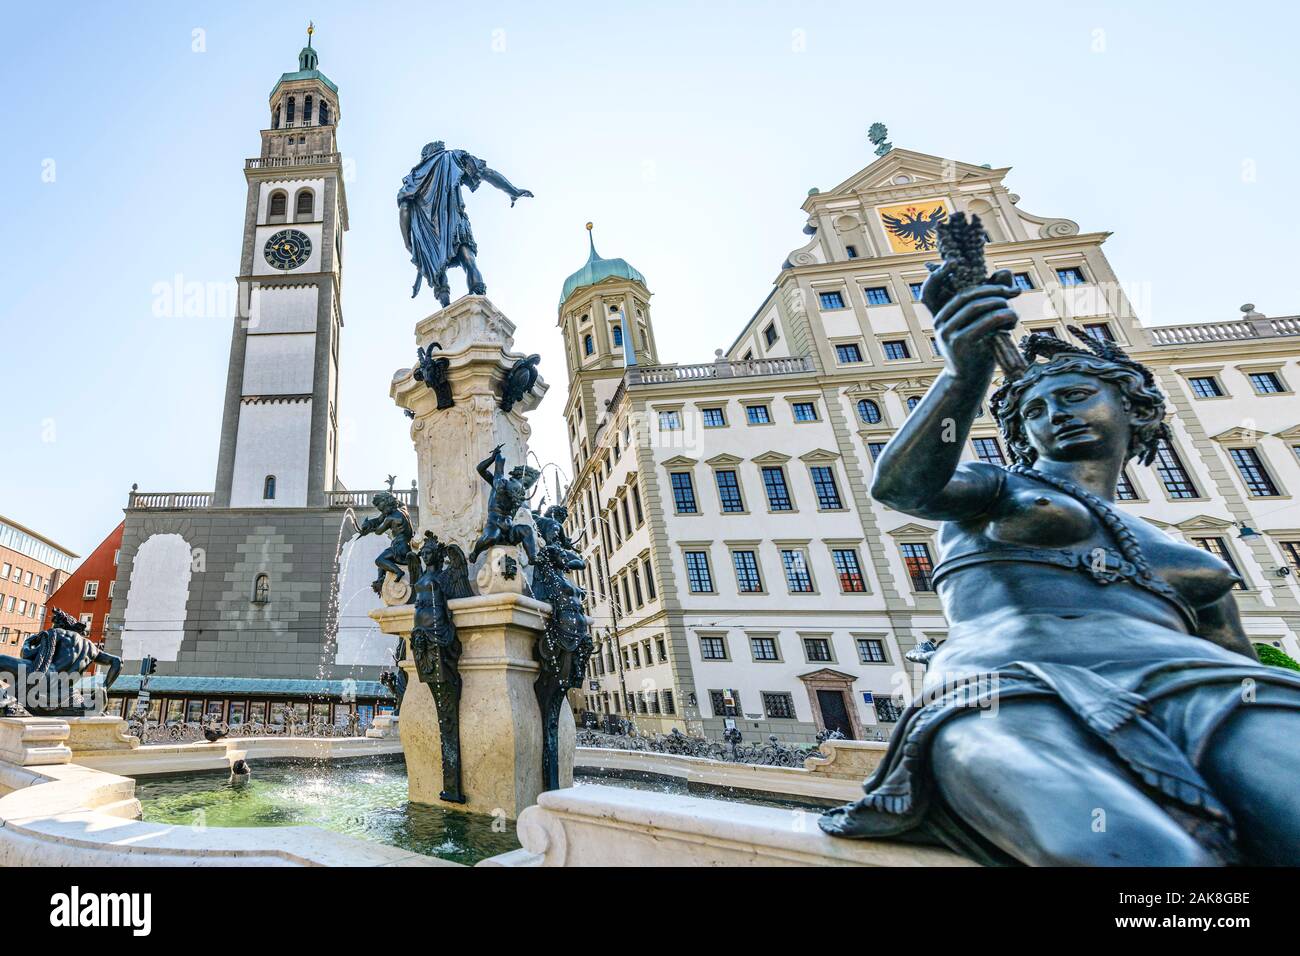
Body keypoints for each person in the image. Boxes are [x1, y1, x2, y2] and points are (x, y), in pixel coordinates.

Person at [819, 274, 1300, 866]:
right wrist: (963, 370)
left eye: (1074, 396)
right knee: (1146, 862)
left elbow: (1241, 660)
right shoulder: (997, 490)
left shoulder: (1195, 562)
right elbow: (902, 486)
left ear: (1134, 406)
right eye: (1037, 410)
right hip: (1011, 686)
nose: (1055, 415)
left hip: (1199, 685)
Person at [397, 141, 533, 305]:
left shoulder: (414, 176)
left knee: (438, 271)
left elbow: (404, 208)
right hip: (455, 222)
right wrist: (512, 191)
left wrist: (408, 243)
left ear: (424, 156)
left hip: (427, 233)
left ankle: (446, 309)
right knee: (468, 259)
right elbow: (485, 172)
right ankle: (477, 296)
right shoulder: (453, 157)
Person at [467, 445, 540, 565]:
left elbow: (528, 513)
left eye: (526, 487)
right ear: (516, 478)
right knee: (491, 537)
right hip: (494, 523)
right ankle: (475, 552)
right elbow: (480, 469)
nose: (524, 489)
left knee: (526, 530)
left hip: (509, 529)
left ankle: (533, 557)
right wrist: (493, 459)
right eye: (524, 484)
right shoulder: (500, 483)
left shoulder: (518, 498)